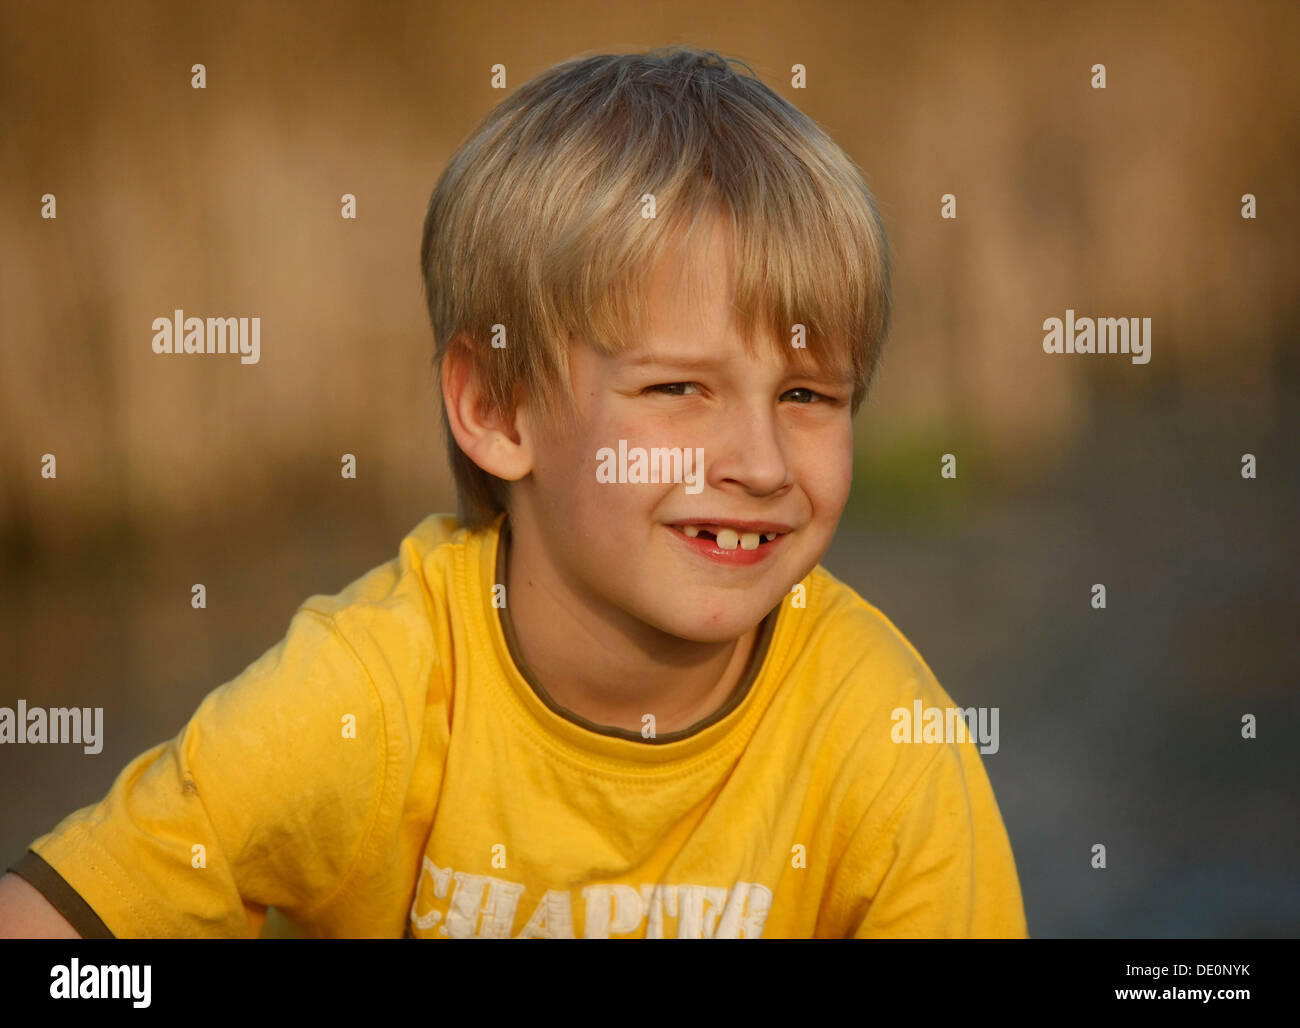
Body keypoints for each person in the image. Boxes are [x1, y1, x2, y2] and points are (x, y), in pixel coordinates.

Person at [0, 45, 1027, 939]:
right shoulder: (374, 695)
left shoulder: (885, 739)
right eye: (678, 386)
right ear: (496, 407)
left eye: (806, 392)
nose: (759, 461)